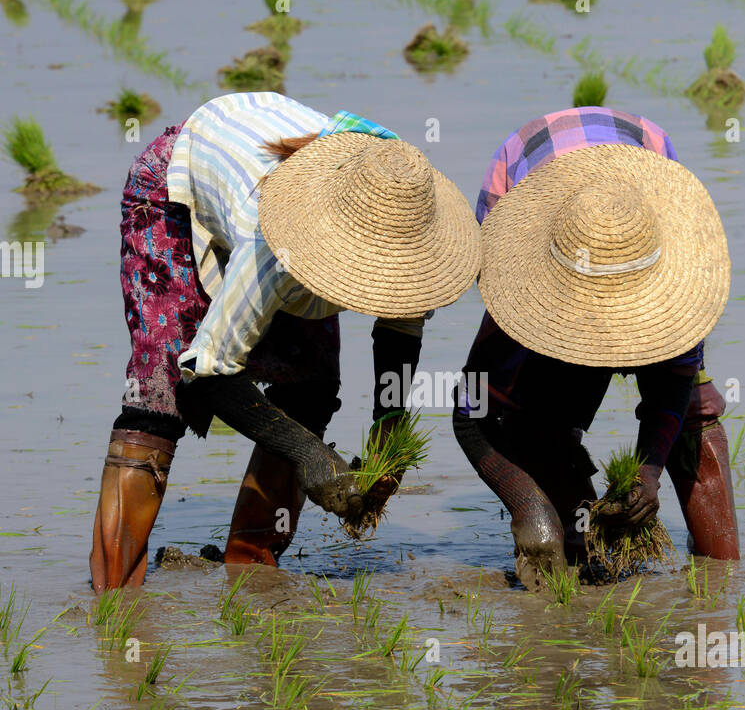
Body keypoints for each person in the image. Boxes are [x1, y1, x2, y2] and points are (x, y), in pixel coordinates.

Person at [90, 92, 480, 591]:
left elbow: (400, 330)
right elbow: (207, 372)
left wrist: (390, 423)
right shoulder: (274, 245)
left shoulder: (407, 219)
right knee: (161, 396)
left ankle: (252, 568)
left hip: (273, 180)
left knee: (312, 385)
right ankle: (115, 595)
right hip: (175, 188)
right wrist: (310, 456)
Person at [452, 106, 739, 586]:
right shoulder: (522, 286)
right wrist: (529, 509)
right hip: (535, 208)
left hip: (642, 189)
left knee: (693, 405)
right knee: (535, 420)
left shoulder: (674, 287)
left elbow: (670, 388)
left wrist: (647, 473)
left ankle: (721, 580)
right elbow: (471, 412)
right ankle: (586, 547)